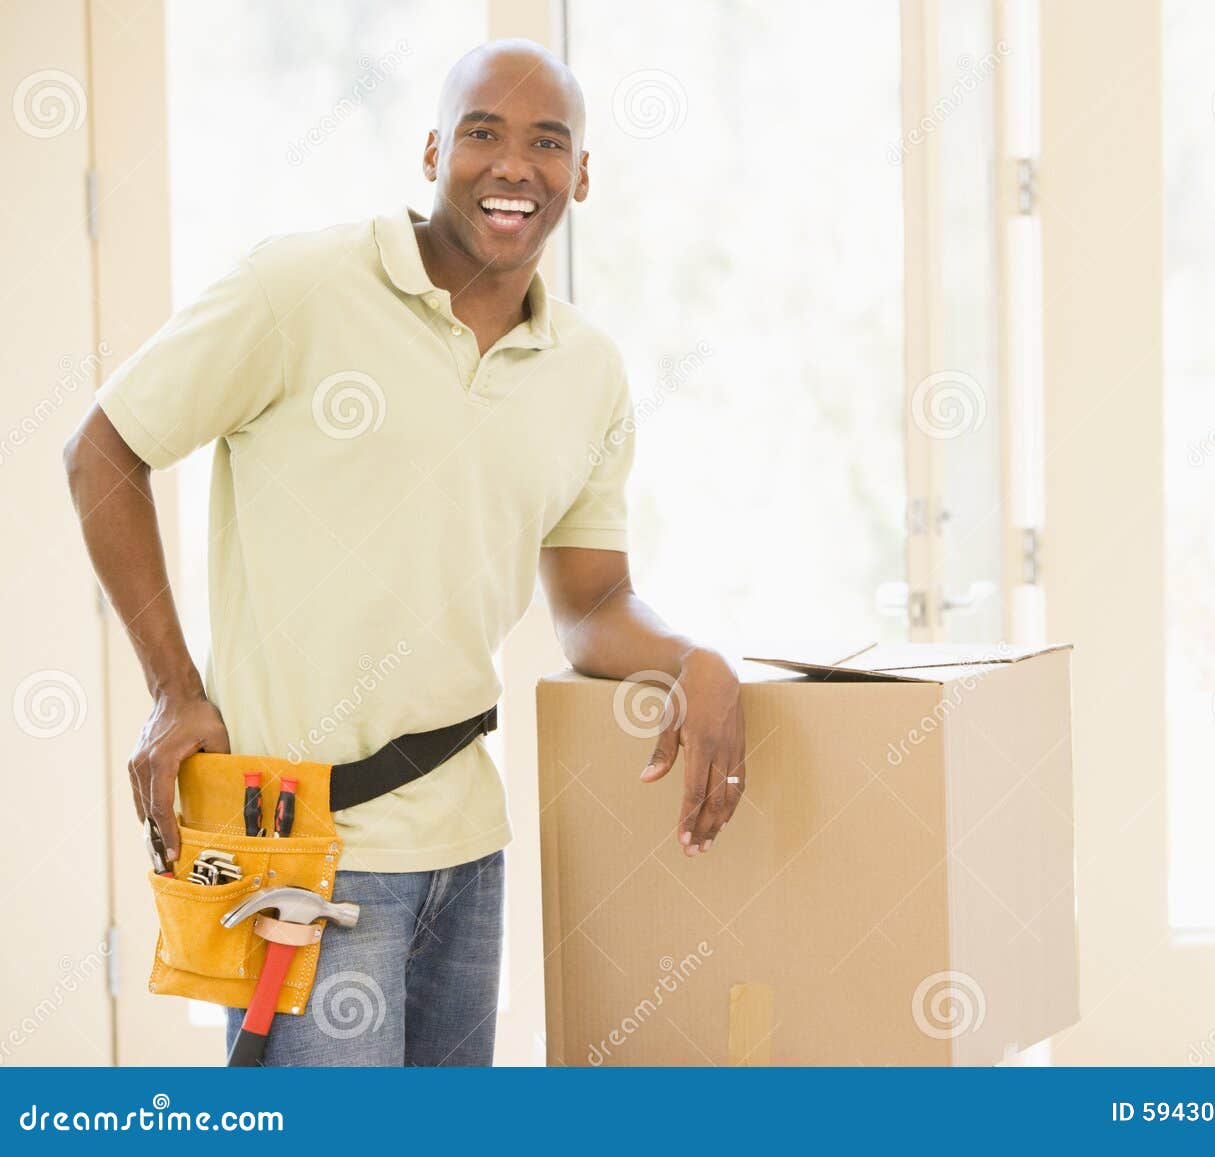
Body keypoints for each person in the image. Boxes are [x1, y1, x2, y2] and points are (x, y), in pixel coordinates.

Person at [60, 38, 747, 1067]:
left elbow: (593, 597)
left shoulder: (587, 372)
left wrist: (694, 658)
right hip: (300, 854)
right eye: (483, 134)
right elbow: (103, 449)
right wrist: (172, 686)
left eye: (546, 143)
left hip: (468, 842)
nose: (514, 166)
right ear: (433, 151)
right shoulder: (298, 288)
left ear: (583, 175)